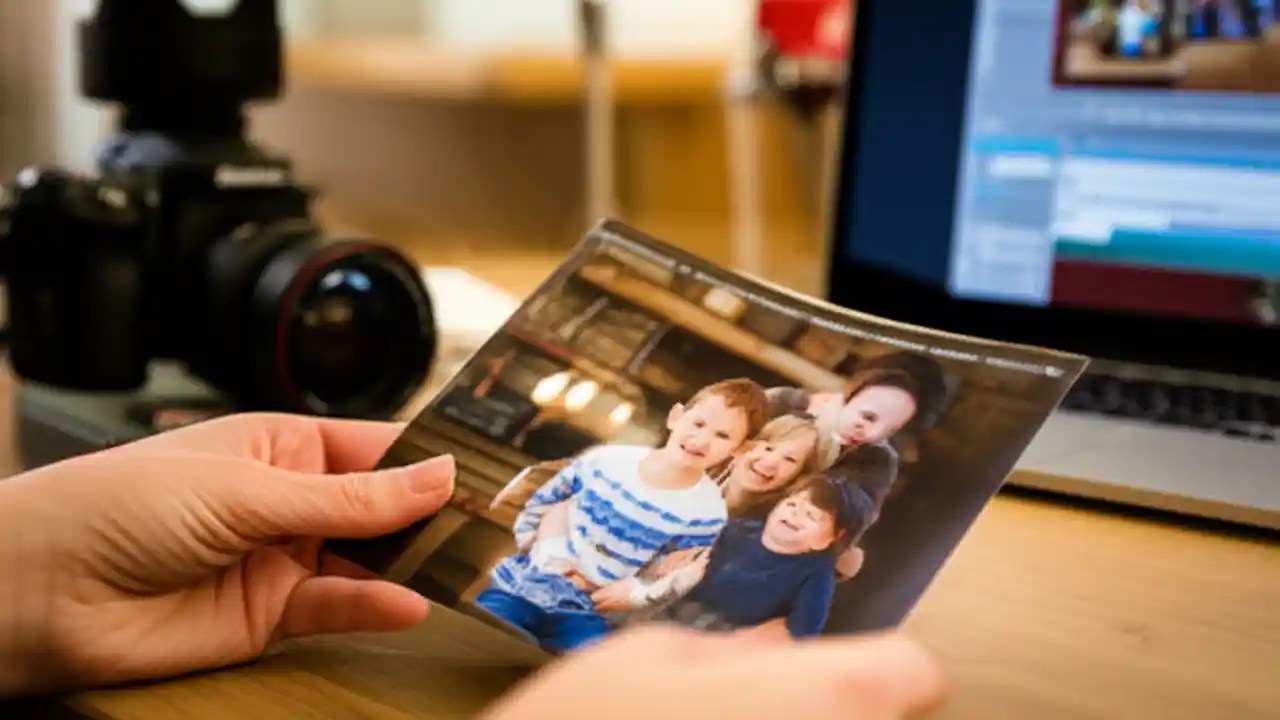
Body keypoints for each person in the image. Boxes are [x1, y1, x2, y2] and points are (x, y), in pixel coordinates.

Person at [0, 411, 948, 718]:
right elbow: (552, 505)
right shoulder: (627, 471)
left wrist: (36, 584)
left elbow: (687, 571)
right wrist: (542, 539)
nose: (769, 477)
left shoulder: (726, 521)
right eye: (760, 463)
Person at [473, 378, 770, 653]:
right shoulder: (607, 460)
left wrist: (629, 592)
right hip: (528, 581)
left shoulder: (706, 514)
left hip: (587, 607)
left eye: (722, 435)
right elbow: (544, 501)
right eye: (698, 423)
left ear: (740, 449)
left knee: (585, 667)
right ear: (676, 416)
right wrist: (537, 552)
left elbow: (663, 575)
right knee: (482, 629)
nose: (702, 440)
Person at [646, 475, 868, 639]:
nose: (795, 514)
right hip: (676, 611)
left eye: (812, 515)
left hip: (728, 638)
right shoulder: (738, 530)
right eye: (792, 504)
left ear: (830, 538)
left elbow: (801, 634)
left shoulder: (816, 573)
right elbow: (688, 554)